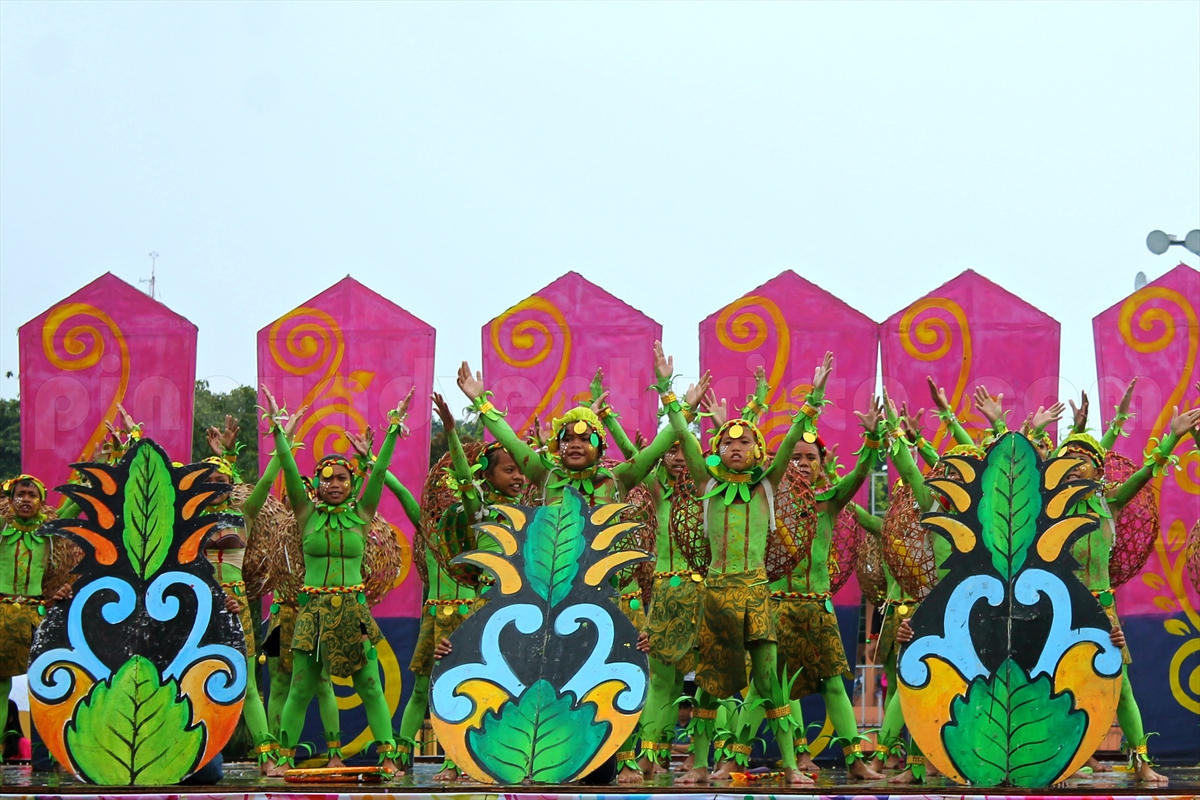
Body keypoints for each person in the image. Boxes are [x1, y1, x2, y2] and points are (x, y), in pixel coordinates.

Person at [665, 347, 845, 786]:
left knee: (769, 681)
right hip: (716, 593)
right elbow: (685, 439)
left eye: (745, 441)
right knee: (708, 683)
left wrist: (813, 397)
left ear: (758, 449)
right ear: (717, 450)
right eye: (727, 442)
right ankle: (701, 765)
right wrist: (672, 395)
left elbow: (790, 441)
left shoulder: (769, 483)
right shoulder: (706, 484)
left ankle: (790, 764)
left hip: (758, 592)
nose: (735, 447)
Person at [261, 384, 413, 775]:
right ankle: (281, 758)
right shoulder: (304, 513)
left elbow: (378, 473)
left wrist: (394, 428)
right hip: (311, 612)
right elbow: (288, 467)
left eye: (342, 478)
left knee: (369, 686)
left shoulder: (362, 514)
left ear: (351, 482)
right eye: (327, 478)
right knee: (300, 687)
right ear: (316, 484)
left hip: (353, 611)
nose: (334, 484)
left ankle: (388, 755)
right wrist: (279, 429)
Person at [1055, 403, 1200, 784]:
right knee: (1061, 684)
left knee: (1119, 686)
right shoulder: (1048, 514)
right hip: (1058, 610)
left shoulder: (1109, 504)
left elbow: (1148, 471)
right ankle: (1066, 760)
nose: (1071, 464)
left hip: (1102, 610)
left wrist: (1175, 435)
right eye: (1065, 458)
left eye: (1080, 458)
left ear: (1098, 470)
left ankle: (1141, 763)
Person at [387, 393, 525, 780]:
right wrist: (450, 431)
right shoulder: (473, 514)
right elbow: (458, 480)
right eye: (508, 470)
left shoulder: (530, 512)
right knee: (427, 687)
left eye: (520, 471)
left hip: (506, 613)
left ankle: (476, 758)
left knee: (492, 688)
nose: (517, 477)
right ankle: (409, 757)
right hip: (455, 613)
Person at [0, 475, 73, 761]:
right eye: (21, 493)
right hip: (2, 615)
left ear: (41, 502)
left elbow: (74, 505)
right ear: (10, 499)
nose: (26, 499)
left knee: (42, 683)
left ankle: (44, 758)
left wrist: (110, 456)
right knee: (1, 685)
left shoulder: (48, 532)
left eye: (32, 494)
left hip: (35, 616)